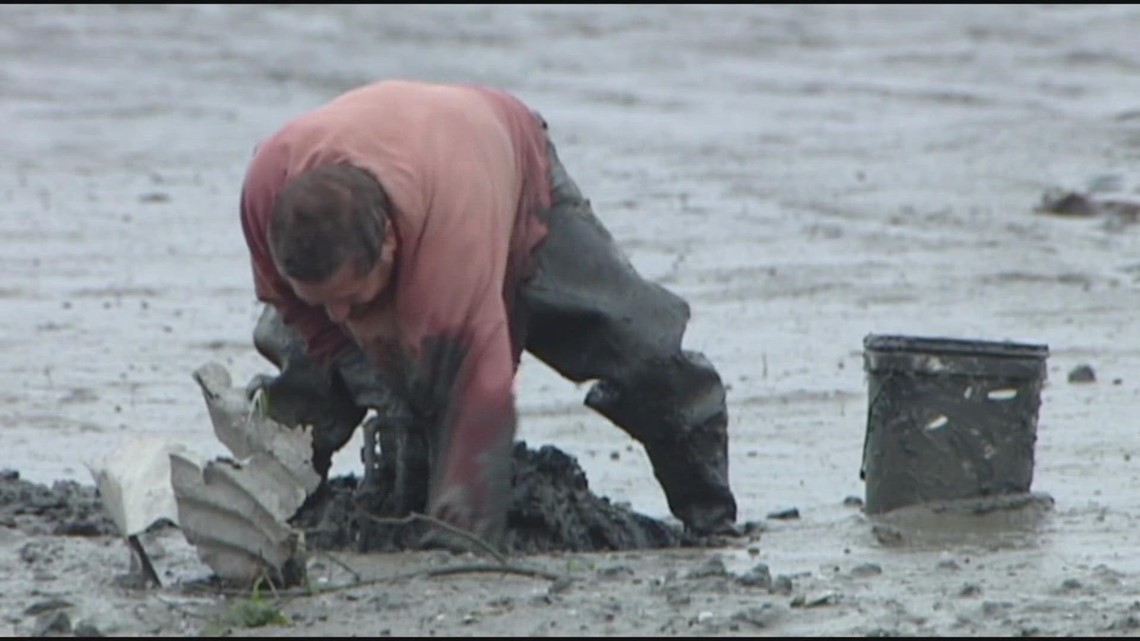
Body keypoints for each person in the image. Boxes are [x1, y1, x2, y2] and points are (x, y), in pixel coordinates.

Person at [239, 79, 737, 548]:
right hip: (419, 155)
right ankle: (270, 508)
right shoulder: (266, 191)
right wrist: (365, 367)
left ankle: (710, 518)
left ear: (391, 243)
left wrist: (460, 532)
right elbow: (300, 311)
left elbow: (481, 396)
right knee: (312, 369)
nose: (338, 313)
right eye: (322, 299)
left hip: (507, 166)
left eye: (353, 298)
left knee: (639, 349)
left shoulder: (452, 251)